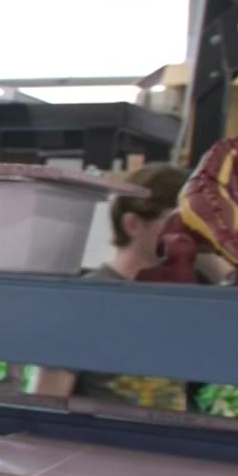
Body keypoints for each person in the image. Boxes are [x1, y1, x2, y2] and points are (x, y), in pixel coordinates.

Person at [30, 164, 192, 411]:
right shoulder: (87, 299)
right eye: (178, 222)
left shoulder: (187, 296)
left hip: (174, 444)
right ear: (133, 224)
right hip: (105, 443)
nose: (187, 235)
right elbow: (47, 401)